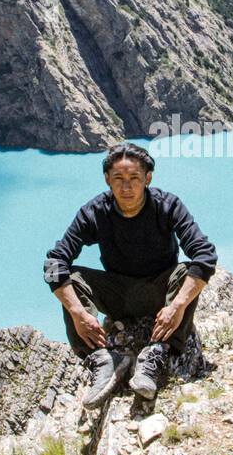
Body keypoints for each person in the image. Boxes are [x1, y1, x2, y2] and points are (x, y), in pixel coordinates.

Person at [44, 143, 216, 407]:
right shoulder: (95, 212)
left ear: (148, 178)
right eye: (118, 179)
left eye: (134, 178)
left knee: (186, 271)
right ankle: (102, 360)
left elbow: (204, 255)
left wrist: (178, 305)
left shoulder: (167, 206)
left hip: (161, 293)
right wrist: (78, 312)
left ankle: (156, 355)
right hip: (118, 295)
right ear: (107, 180)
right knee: (72, 277)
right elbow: (55, 262)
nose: (126, 187)